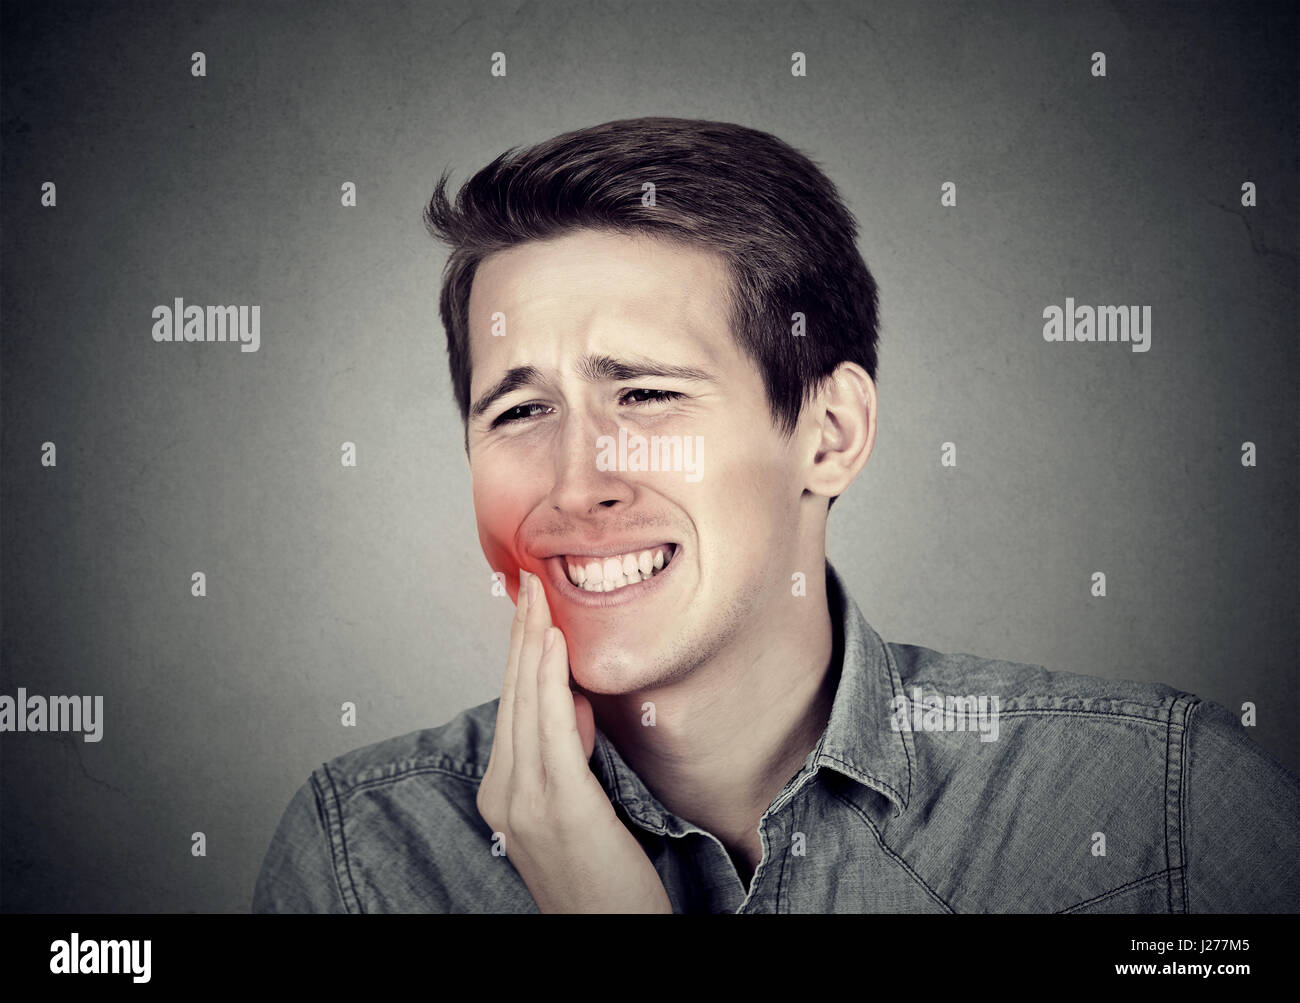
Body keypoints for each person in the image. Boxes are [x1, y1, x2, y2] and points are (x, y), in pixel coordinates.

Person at [253, 117, 1300, 913]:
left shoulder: (1158, 808)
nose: (576, 485)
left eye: (647, 393)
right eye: (521, 409)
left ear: (829, 431)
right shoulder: (367, 857)